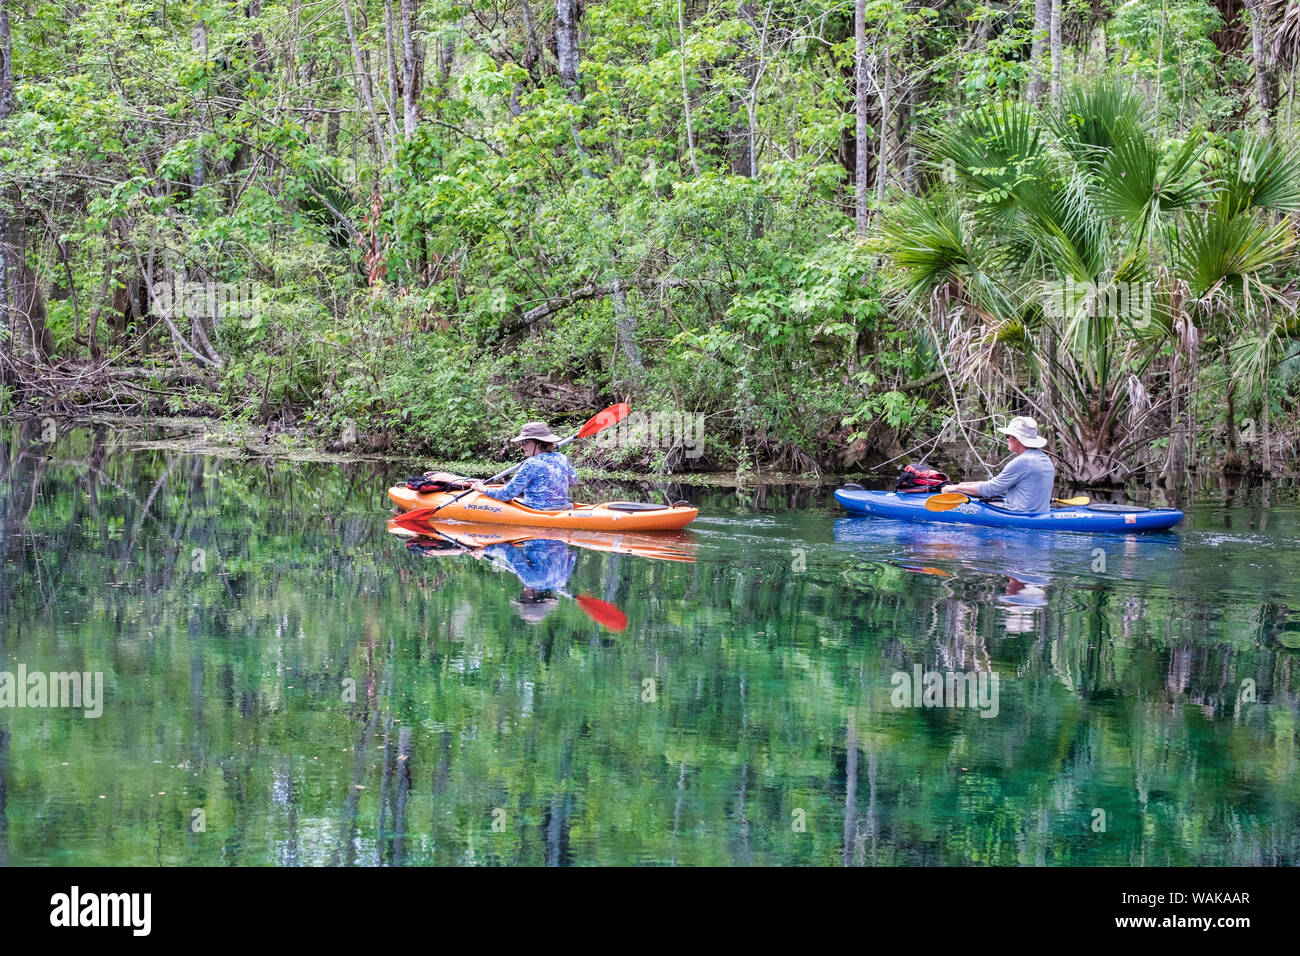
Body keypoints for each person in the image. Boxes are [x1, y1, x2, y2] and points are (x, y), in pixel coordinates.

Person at [941, 416, 1056, 514]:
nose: (1006, 439)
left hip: (1018, 514)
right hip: (1039, 512)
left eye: (1008, 436)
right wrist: (962, 484)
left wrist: (955, 488)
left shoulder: (1022, 462)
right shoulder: (1044, 458)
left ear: (1018, 440)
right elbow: (995, 484)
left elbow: (990, 489)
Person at [470, 421, 578, 510]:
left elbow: (506, 494)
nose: (522, 446)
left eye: (525, 442)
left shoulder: (532, 463)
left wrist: (483, 489)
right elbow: (573, 481)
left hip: (538, 512)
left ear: (539, 443)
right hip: (563, 508)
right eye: (521, 443)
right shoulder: (562, 457)